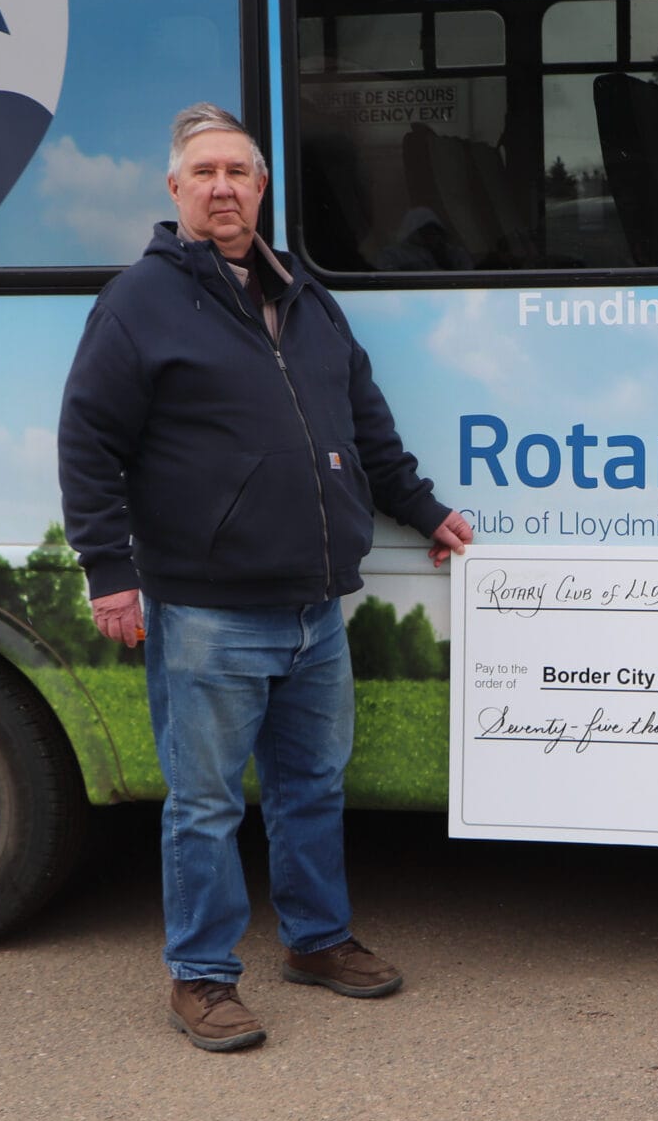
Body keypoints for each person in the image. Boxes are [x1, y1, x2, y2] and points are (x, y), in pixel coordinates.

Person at [58, 102, 474, 1052]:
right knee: (204, 803)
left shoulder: (307, 296)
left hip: (314, 607)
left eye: (237, 172)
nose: (222, 188)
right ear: (175, 191)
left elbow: (362, 421)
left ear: (262, 185)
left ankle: (317, 940)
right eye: (203, 173)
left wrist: (424, 509)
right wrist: (110, 572)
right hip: (208, 610)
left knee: (311, 785)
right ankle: (200, 978)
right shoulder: (139, 301)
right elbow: (88, 440)